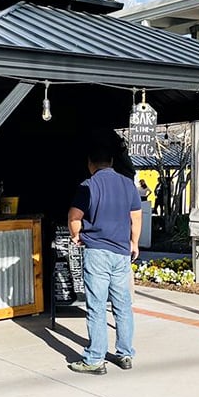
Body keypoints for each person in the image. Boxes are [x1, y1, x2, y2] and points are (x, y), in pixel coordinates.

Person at [67, 139, 142, 374]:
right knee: (123, 305)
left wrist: (76, 235)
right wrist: (134, 243)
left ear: (91, 164)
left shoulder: (88, 185)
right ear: (111, 161)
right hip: (121, 253)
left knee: (97, 306)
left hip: (97, 252)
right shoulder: (127, 185)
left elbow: (74, 215)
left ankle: (96, 359)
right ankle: (125, 353)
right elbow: (136, 217)